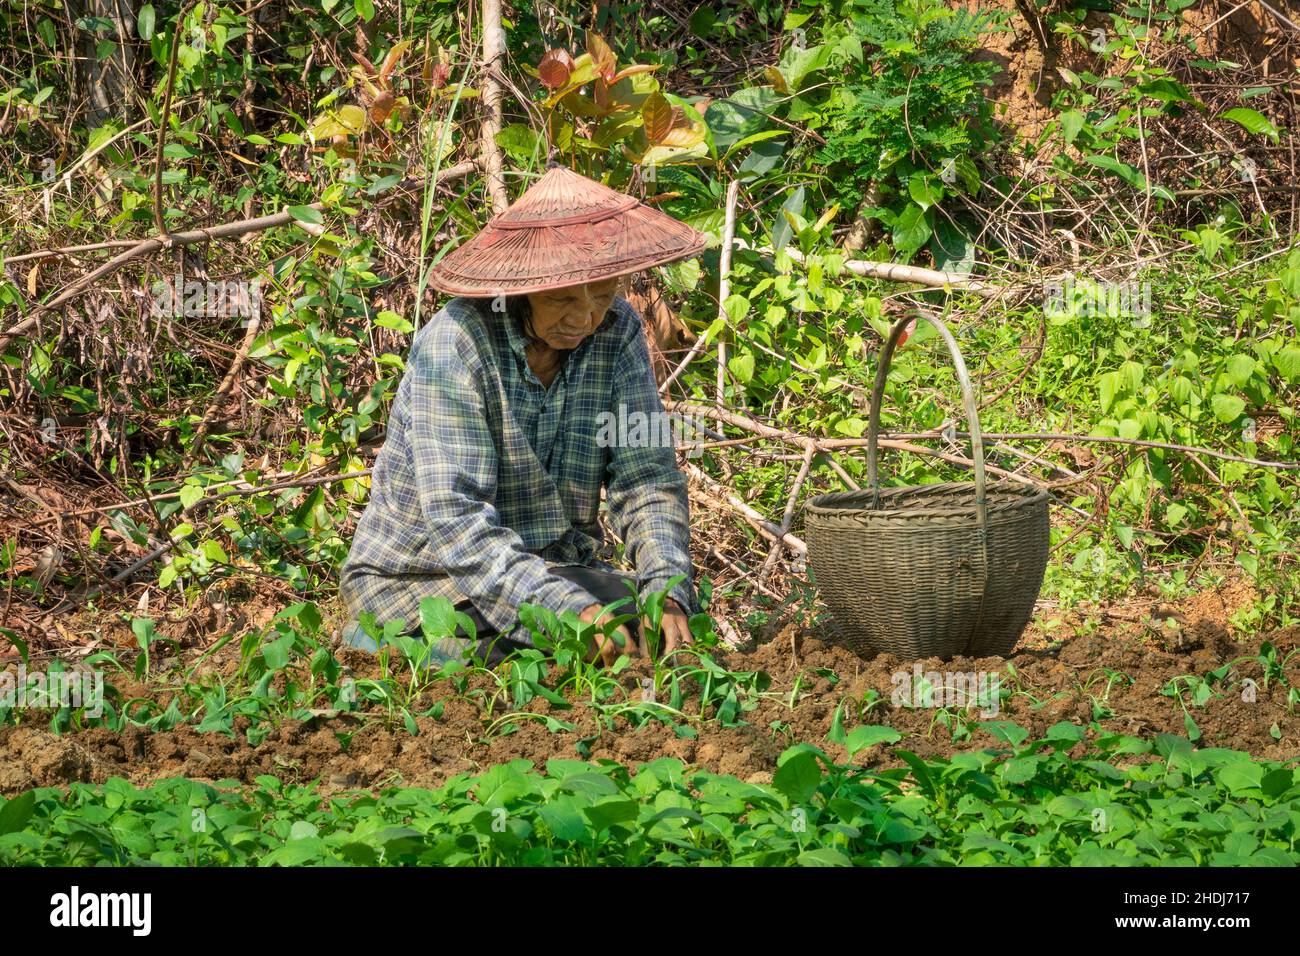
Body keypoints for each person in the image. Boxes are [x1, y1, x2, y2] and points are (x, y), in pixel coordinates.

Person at [338, 163, 708, 668]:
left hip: (550, 571)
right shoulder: (457, 344)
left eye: (601, 293)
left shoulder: (618, 332)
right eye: (561, 298)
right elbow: (459, 522)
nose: (584, 317)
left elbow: (646, 477)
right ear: (521, 288)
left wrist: (664, 588)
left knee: (653, 623)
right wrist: (569, 611)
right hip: (422, 584)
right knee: (485, 655)